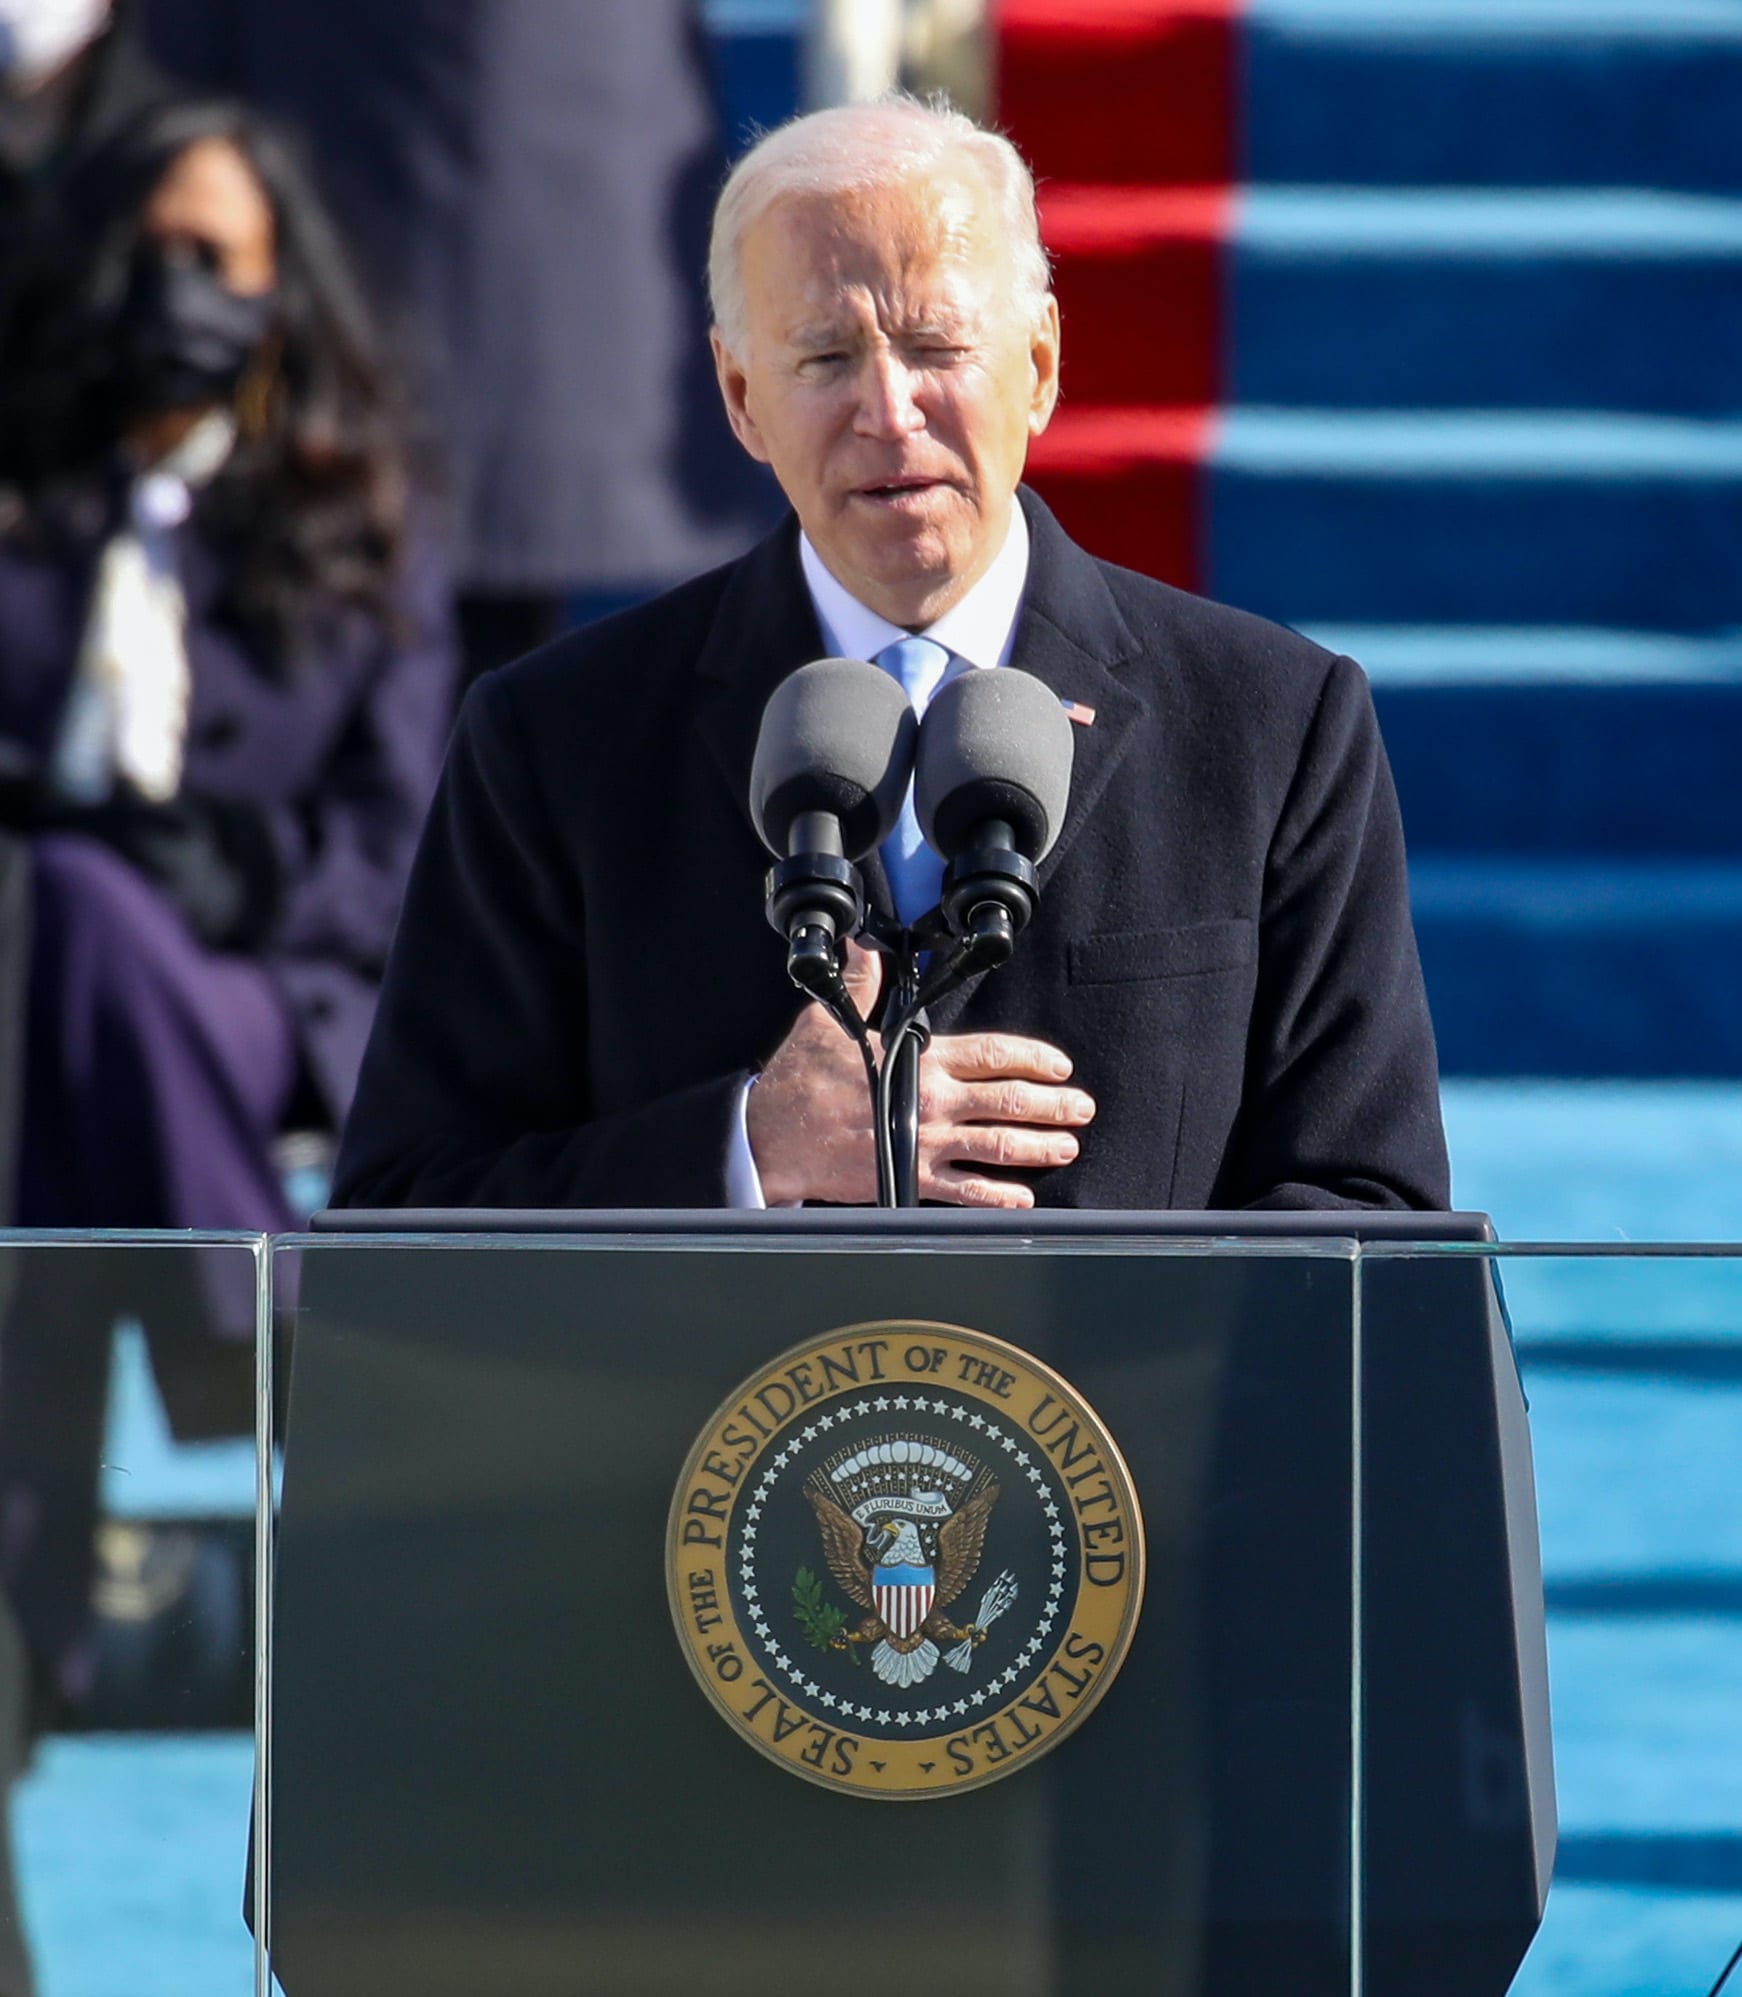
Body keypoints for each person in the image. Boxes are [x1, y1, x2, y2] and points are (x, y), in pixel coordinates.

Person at [332, 97, 1449, 1216]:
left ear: (1040, 363)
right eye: (825, 356)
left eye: (936, 347)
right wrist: (744, 1150)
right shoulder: (557, 741)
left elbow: (1372, 1216)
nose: (889, 409)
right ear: (739, 397)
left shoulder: (1273, 727)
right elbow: (406, 1212)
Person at [0, 92, 454, 1761]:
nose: (172, 287)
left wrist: (241, 874)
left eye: (212, 255)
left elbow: (396, 849)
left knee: (82, 934)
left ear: (279, 284)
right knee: (62, 928)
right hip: (26, 1000)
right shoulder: (25, 495)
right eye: (145, 249)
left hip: (258, 992)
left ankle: (29, 1645)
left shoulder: (356, 514)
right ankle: (246, 1335)